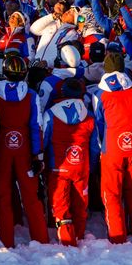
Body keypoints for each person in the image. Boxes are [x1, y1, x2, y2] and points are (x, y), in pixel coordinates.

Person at [0, 52, 48, 247]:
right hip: (24, 148)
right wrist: (37, 154)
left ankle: (6, 240)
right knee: (31, 196)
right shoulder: (30, 95)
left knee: (2, 196)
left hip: (1, 150)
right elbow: (35, 125)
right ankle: (40, 237)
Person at [94, 53, 132, 244]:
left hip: (111, 146)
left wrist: (100, 147)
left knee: (111, 192)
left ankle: (117, 235)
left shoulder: (100, 93)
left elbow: (98, 123)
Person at [44, 77, 98, 245]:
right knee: (80, 205)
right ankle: (79, 236)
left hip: (58, 167)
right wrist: (92, 166)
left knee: (61, 206)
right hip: (82, 166)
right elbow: (95, 146)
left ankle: (68, 241)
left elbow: (43, 140)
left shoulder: (51, 113)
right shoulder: (89, 115)